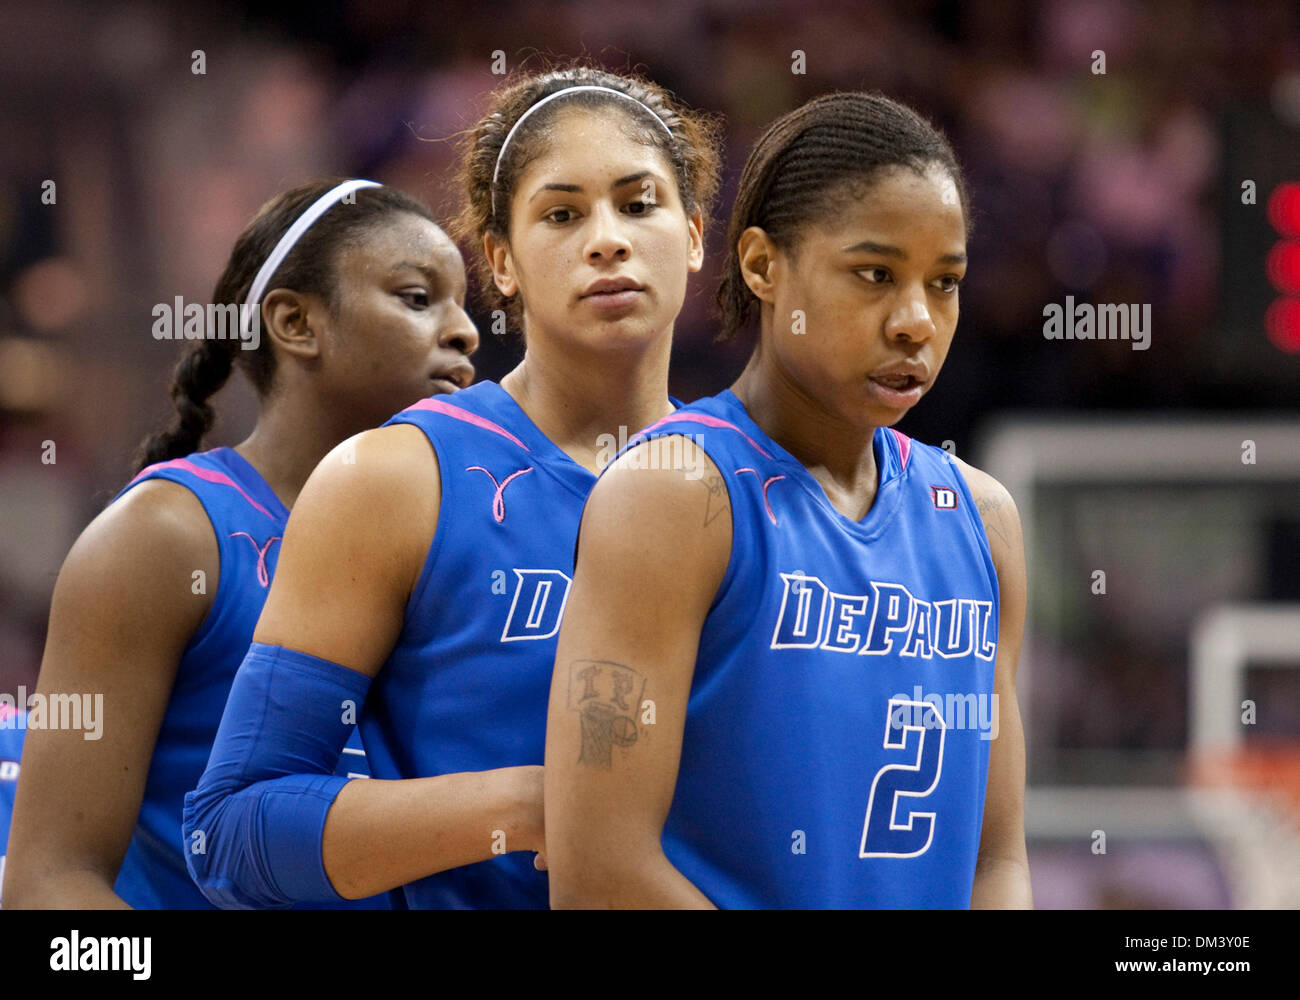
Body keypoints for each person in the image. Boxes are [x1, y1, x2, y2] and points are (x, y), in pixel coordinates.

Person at [181, 64, 722, 909]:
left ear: (694, 236)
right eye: (562, 213)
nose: (608, 238)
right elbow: (233, 833)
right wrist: (540, 805)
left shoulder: (756, 487)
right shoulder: (396, 477)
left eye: (639, 203)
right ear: (501, 263)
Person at [543, 92, 1034, 909]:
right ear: (764, 266)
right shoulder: (673, 494)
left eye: (943, 284)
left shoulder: (983, 521)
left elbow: (996, 862)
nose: (917, 322)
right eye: (874, 275)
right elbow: (598, 876)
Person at [2, 178, 477, 909]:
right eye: (418, 299)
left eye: (465, 306)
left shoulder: (465, 538)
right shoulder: (167, 537)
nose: (465, 332)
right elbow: (49, 884)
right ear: (295, 324)